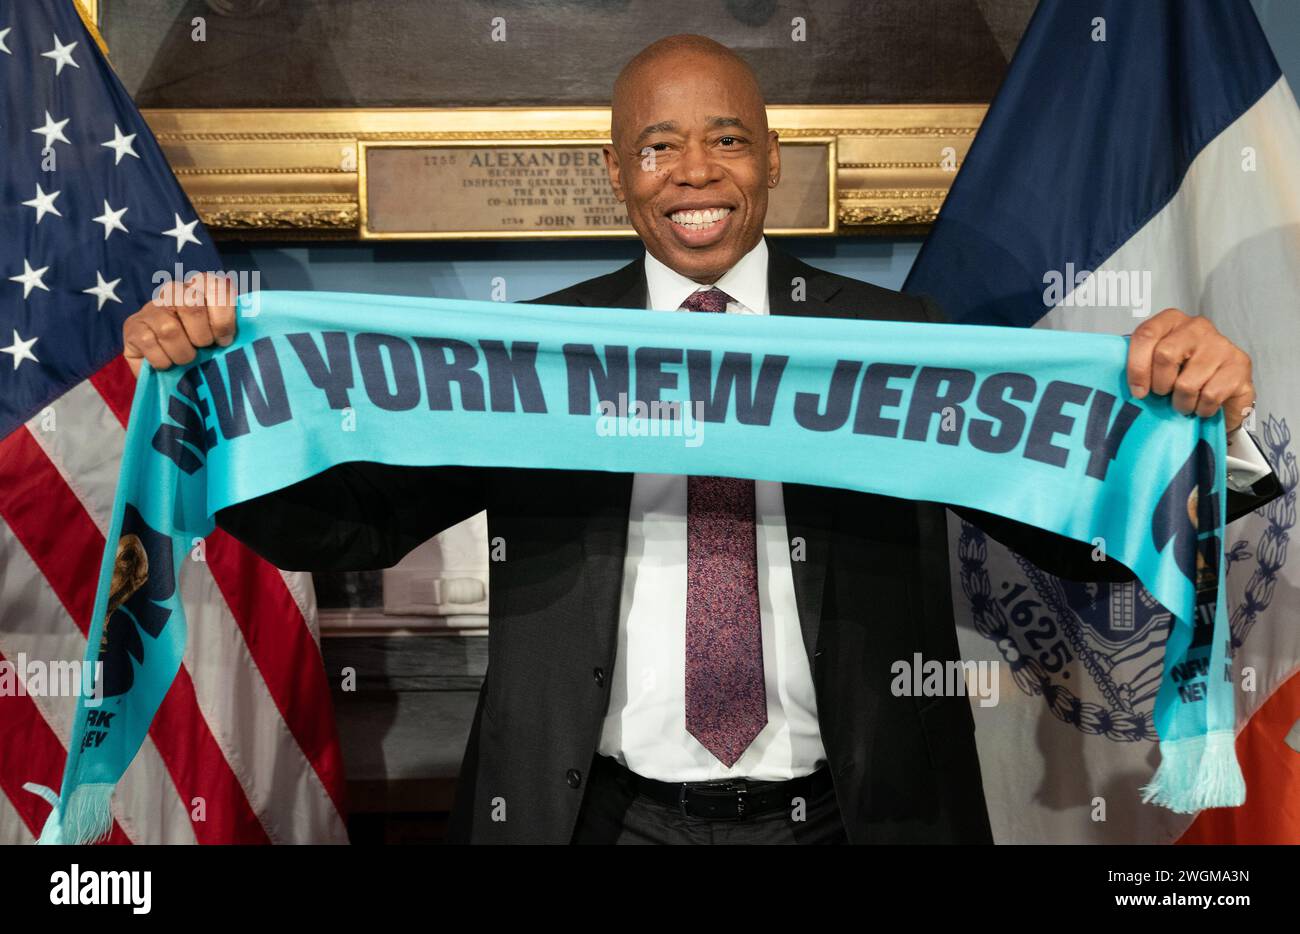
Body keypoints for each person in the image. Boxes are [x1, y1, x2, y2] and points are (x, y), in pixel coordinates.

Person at [121, 35, 1281, 844]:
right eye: (657, 145)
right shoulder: (534, 351)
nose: (693, 173)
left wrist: (1200, 430)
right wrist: (206, 403)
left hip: (852, 818)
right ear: (618, 173)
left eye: (725, 140)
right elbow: (350, 522)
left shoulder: (901, 339)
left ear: (773, 159)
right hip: (592, 817)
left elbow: (1076, 533)